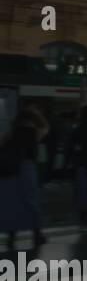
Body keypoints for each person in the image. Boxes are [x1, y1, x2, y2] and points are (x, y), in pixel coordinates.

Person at [1, 105, 49, 251]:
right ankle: (37, 235)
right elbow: (46, 127)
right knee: (30, 202)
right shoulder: (36, 132)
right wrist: (37, 115)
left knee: (12, 204)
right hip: (26, 169)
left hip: (9, 171)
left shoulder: (11, 133)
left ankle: (11, 237)